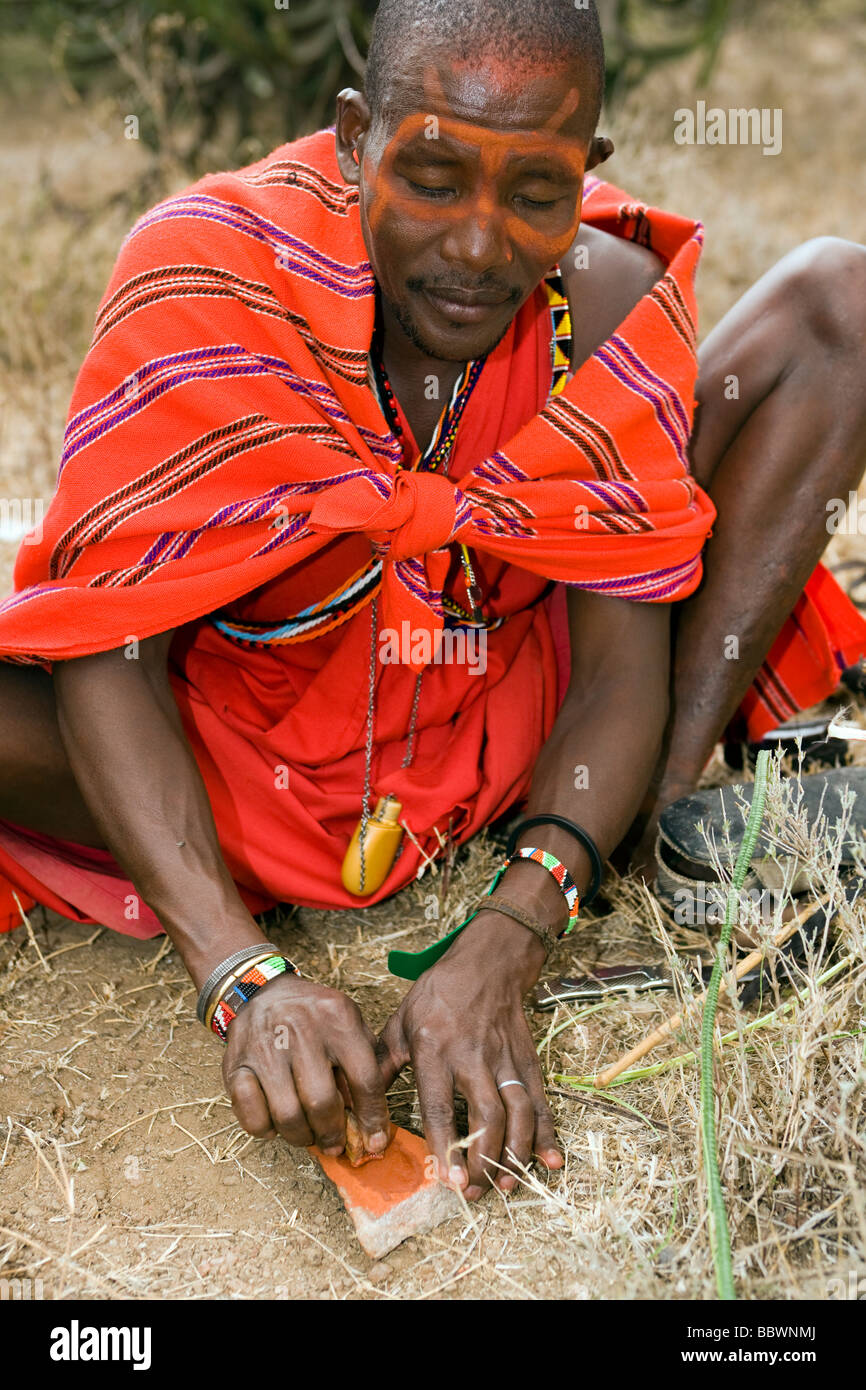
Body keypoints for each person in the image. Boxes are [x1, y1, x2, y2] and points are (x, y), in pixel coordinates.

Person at [0, 0, 864, 1202]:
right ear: (355, 137)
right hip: (234, 753)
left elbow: (618, 666)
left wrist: (517, 922)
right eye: (433, 174)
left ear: (586, 178)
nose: (475, 244)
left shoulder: (598, 308)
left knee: (845, 300)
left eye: (534, 192)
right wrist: (240, 972)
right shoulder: (207, 268)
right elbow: (109, 638)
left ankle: (638, 828)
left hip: (502, 708)